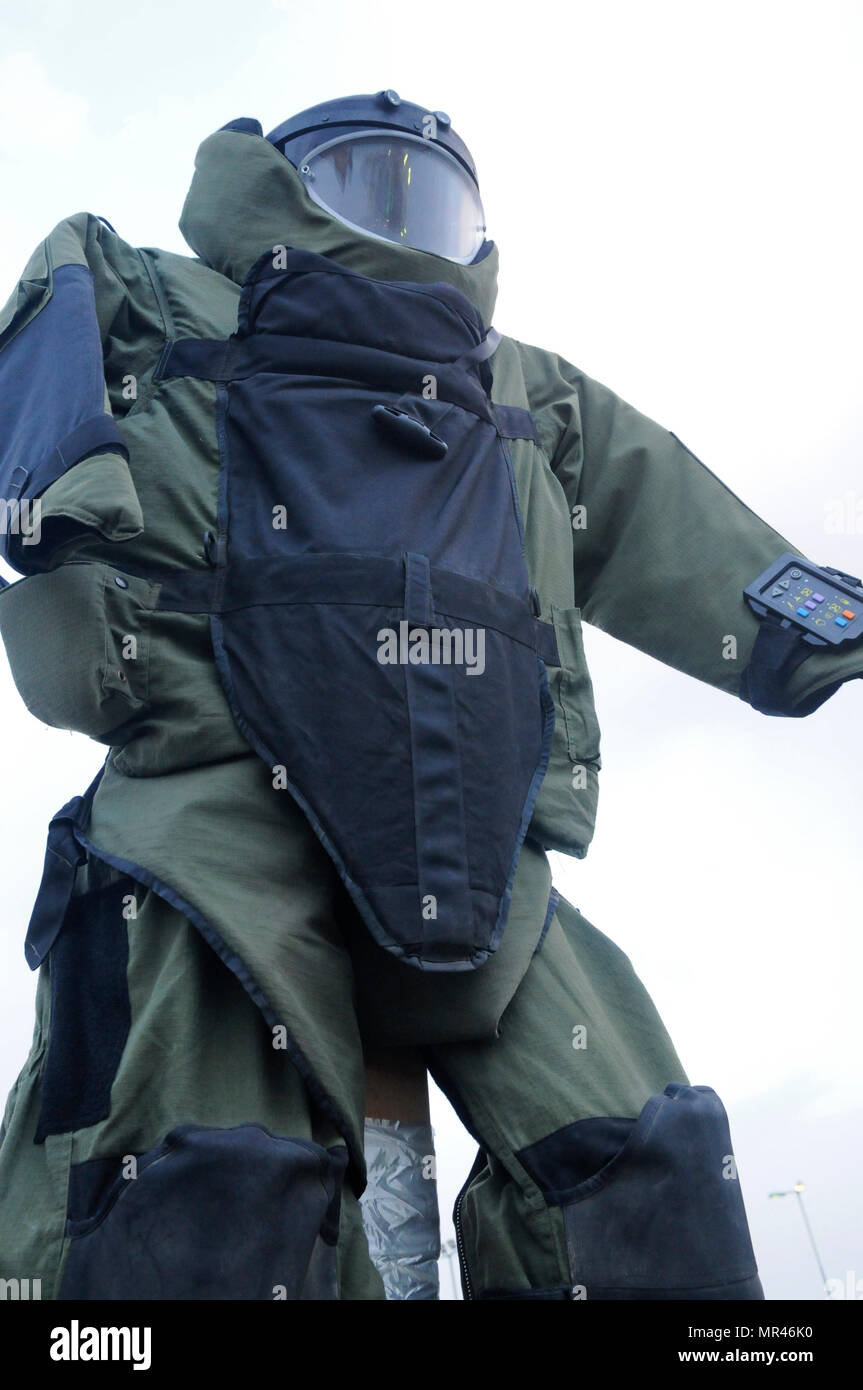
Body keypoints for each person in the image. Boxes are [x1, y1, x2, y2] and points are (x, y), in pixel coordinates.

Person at [1, 89, 860, 1301]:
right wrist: (57, 485)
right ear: (284, 187)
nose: (400, 217)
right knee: (205, 1194)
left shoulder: (518, 390)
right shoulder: (159, 296)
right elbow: (51, 331)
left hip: (474, 833)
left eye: (427, 191)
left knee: (639, 1170)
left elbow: (655, 503)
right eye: (361, 181)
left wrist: (813, 628)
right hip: (216, 819)